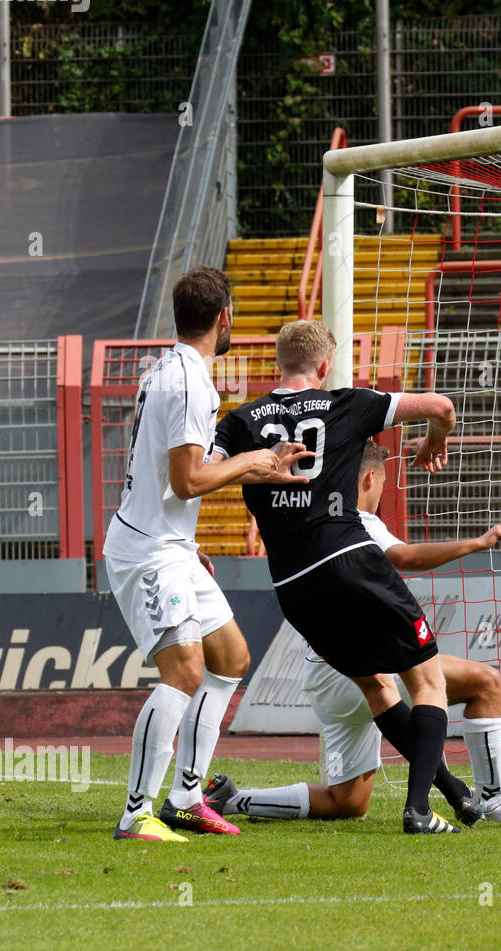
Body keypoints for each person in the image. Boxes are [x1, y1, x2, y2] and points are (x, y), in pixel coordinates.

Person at [203, 444, 501, 825]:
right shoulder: (356, 522)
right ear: (370, 479)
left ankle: (231, 800)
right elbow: (406, 557)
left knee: (347, 802)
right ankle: (489, 802)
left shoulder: (314, 519)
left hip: (324, 674)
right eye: (382, 483)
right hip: (363, 665)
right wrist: (477, 543)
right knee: (484, 683)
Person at [212, 319, 462, 835]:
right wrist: (432, 442)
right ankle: (419, 810)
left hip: (292, 586)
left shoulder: (238, 421)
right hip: (347, 556)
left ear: (278, 364)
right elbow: (442, 407)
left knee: (375, 683)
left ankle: (455, 794)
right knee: (426, 679)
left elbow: (198, 476)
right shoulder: (348, 401)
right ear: (325, 366)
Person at [105, 266, 310, 843]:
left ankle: (186, 798)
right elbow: (189, 479)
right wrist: (254, 461)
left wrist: (192, 544)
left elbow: (165, 478)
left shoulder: (165, 370)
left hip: (169, 544)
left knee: (231, 658)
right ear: (225, 318)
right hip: (148, 552)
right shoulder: (193, 383)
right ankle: (135, 814)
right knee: (184, 669)